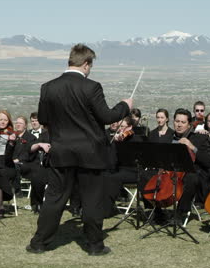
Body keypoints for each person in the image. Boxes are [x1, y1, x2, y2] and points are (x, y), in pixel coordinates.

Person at [27, 44, 132, 256]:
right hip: (90, 154)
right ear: (86, 64)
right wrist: (124, 106)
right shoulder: (92, 87)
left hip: (61, 151)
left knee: (54, 199)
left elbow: (44, 118)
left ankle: (39, 243)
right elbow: (107, 116)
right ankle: (94, 245)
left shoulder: (48, 87)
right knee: (92, 200)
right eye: (90, 66)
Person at [155, 109, 210, 224]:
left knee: (192, 179)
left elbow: (209, 161)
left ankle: (180, 213)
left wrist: (192, 147)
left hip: (188, 173)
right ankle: (158, 212)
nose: (179, 125)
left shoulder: (199, 138)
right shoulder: (167, 137)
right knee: (144, 176)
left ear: (189, 124)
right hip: (168, 172)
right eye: (177, 121)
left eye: (183, 122)